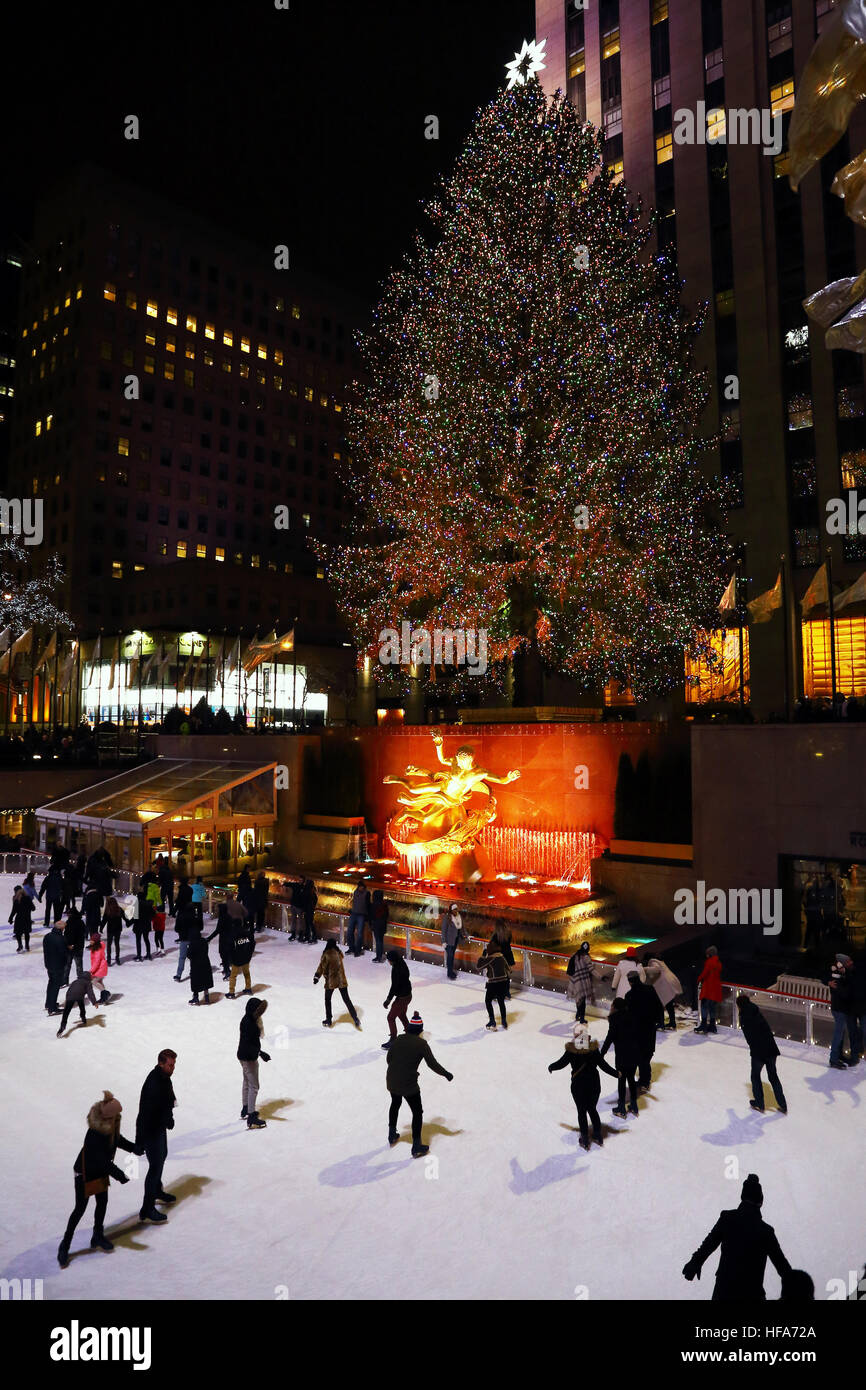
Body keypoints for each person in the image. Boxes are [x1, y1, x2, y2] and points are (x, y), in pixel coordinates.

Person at [57, 1091, 137, 1268]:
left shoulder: (111, 1125)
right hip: (84, 1174)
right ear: (107, 1116)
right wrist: (119, 1175)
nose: (118, 1117)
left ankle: (97, 1236)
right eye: (116, 1114)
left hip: (99, 1172)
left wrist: (135, 1148)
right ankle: (65, 1245)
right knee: (79, 1209)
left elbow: (118, 1140)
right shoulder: (94, 1134)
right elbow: (101, 1160)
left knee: (102, 1203)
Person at [682, 1173, 792, 1301]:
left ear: (742, 1197)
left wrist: (695, 1262)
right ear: (761, 1202)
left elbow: (709, 1244)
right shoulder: (766, 1231)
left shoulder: (727, 1219)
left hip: (723, 1293)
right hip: (752, 1295)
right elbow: (783, 1267)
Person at [386, 1010, 453, 1156]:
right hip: (408, 1084)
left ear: (409, 1028)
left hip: (391, 1080)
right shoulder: (422, 1044)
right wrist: (446, 1074)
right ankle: (416, 1145)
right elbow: (432, 1064)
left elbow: (388, 1058)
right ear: (420, 1030)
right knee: (417, 1112)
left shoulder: (398, 1039)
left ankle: (392, 1134)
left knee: (395, 1103)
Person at [548, 1021, 618, 1150]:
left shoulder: (571, 1051)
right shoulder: (593, 1050)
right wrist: (616, 1074)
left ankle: (585, 1138)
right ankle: (597, 1135)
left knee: (582, 1111)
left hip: (579, 1086)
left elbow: (561, 1063)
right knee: (592, 1109)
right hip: (594, 1085)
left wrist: (552, 1066)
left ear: (576, 1036)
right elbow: (603, 1066)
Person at [134, 1050, 178, 1224]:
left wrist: (169, 1117)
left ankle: (157, 1191)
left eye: (174, 1065)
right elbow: (144, 1113)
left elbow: (168, 1101)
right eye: (170, 1065)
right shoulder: (154, 1082)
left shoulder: (164, 1078)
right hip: (151, 1130)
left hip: (159, 1128)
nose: (173, 1068)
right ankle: (147, 1207)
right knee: (155, 1167)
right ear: (161, 1063)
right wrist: (139, 1140)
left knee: (163, 1156)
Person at [737, 993, 787, 1113]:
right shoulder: (756, 1011)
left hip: (758, 1051)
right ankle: (783, 1104)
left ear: (739, 1006)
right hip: (770, 1048)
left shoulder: (744, 1017)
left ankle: (759, 1103)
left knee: (755, 1076)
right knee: (773, 1076)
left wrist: (753, 1048)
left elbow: (749, 1036)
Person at [600, 998, 640, 1117]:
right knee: (631, 1080)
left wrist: (602, 1053)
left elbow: (609, 1038)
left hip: (622, 1055)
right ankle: (634, 1105)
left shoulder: (615, 1019)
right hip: (634, 1053)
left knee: (622, 1080)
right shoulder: (632, 1016)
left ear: (615, 1007)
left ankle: (621, 1107)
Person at [237, 998, 271, 1128]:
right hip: (248, 1057)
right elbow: (249, 1044)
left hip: (243, 1055)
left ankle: (246, 1108)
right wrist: (261, 1053)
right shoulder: (249, 1023)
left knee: (247, 1082)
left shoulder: (248, 1019)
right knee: (254, 1086)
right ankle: (251, 1117)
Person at [314, 937, 361, 1029]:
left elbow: (322, 966)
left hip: (331, 981)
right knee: (347, 999)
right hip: (341, 980)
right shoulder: (339, 953)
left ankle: (328, 1019)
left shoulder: (327, 954)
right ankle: (355, 1018)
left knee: (327, 1000)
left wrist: (317, 976)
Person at [625, 969, 659, 1092]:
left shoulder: (629, 996)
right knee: (646, 1055)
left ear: (630, 982)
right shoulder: (650, 989)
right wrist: (658, 1022)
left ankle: (642, 1081)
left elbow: (627, 1015)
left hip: (636, 1031)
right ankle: (645, 1081)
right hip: (649, 1029)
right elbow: (658, 1007)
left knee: (638, 1056)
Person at [828, 953, 856, 1069]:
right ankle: (833, 1059)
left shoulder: (843, 975)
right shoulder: (836, 978)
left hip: (841, 1009)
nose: (851, 963)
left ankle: (837, 1056)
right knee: (838, 1034)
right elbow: (843, 993)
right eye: (848, 961)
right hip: (839, 1009)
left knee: (840, 1034)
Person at [642, 953, 682, 1030]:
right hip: (670, 984)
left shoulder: (653, 962)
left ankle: (661, 1024)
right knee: (669, 1005)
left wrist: (645, 969)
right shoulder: (660, 962)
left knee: (659, 1004)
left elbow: (656, 970)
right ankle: (672, 1023)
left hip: (664, 986)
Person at [382, 948, 412, 1048]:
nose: (388, 961)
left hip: (402, 997)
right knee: (401, 1014)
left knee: (390, 1018)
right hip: (408, 995)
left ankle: (393, 1040)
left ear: (393, 960)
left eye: (389, 960)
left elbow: (394, 986)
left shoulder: (397, 969)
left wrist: (388, 1000)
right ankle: (410, 1034)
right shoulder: (402, 963)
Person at [56, 970, 101, 1037]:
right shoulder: (88, 983)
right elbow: (90, 993)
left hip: (69, 996)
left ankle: (62, 1026)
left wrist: (68, 998)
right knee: (81, 1006)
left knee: (66, 1012)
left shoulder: (75, 981)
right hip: (79, 996)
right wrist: (94, 1002)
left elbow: (70, 989)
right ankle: (83, 1018)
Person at [478, 940, 510, 1030]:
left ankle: (492, 1021)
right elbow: (509, 969)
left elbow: (479, 966)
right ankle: (504, 1021)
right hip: (503, 982)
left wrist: (483, 956)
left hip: (493, 983)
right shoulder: (502, 957)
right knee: (501, 1001)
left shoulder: (490, 958)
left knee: (488, 1001)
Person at [566, 940, 596, 1023]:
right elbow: (591, 969)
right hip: (582, 982)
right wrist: (601, 977)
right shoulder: (586, 957)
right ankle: (581, 1018)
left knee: (579, 999)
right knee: (582, 1001)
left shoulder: (575, 955)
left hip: (575, 981)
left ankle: (578, 1015)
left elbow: (570, 969)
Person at [695, 946, 722, 1034]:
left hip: (708, 988)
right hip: (716, 988)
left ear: (709, 954)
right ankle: (712, 1026)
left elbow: (704, 973)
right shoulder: (718, 963)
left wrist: (698, 979)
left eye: (707, 954)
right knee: (712, 1007)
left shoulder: (709, 962)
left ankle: (703, 1025)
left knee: (704, 1006)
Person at [43, 919, 67, 1016]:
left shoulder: (47, 936)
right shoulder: (60, 939)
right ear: (61, 928)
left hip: (49, 964)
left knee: (51, 983)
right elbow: (63, 953)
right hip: (58, 965)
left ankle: (49, 1003)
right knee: (55, 986)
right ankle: (52, 1008)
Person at [227, 918, 255, 998]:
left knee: (233, 976)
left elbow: (230, 948)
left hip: (237, 959)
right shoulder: (248, 933)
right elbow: (253, 944)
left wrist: (231, 959)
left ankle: (231, 993)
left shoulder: (233, 934)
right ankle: (248, 988)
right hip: (246, 957)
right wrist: (250, 954)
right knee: (246, 973)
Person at [188, 924, 214, 1005]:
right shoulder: (204, 941)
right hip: (205, 963)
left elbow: (189, 955)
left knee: (195, 981)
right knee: (205, 980)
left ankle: (195, 997)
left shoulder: (192, 943)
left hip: (196, 964)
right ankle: (207, 997)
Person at [208, 902, 234, 981]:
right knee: (225, 955)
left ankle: (227, 971)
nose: (216, 910)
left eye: (218, 909)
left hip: (224, 940)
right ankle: (226, 969)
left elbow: (218, 930)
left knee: (223, 955)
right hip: (229, 939)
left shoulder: (222, 918)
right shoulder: (229, 916)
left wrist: (209, 938)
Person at [100, 896, 128, 966]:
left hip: (110, 929)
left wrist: (101, 928)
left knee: (109, 944)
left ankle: (109, 960)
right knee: (117, 943)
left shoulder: (108, 911)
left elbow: (104, 921)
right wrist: (129, 922)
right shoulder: (119, 909)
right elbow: (125, 918)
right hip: (118, 929)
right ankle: (117, 958)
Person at [172, 900, 196, 981]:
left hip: (183, 938)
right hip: (193, 938)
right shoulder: (194, 916)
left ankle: (179, 975)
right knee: (193, 956)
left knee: (182, 957)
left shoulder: (180, 914)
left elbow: (176, 928)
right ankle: (193, 972)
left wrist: (180, 932)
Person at [347, 877, 370, 957]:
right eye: (359, 886)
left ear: (363, 887)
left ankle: (358, 950)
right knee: (349, 931)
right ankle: (351, 947)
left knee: (360, 934)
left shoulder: (367, 893)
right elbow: (355, 902)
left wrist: (367, 915)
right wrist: (351, 910)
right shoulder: (355, 892)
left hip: (361, 915)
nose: (360, 888)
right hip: (353, 914)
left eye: (361, 886)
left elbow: (368, 905)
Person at [9, 884, 35, 951]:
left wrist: (10, 918)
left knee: (18, 933)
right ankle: (27, 945)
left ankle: (20, 945)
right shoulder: (28, 898)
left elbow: (14, 911)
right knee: (26, 933)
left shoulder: (16, 900)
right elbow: (33, 908)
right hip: (27, 918)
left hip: (19, 919)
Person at [440, 902, 463, 980]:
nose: (456, 911)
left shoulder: (458, 917)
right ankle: (450, 973)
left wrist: (467, 935)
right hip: (448, 942)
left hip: (455, 940)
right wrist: (443, 942)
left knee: (452, 956)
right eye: (454, 909)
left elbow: (462, 928)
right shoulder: (447, 917)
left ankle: (451, 971)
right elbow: (443, 930)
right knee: (450, 957)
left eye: (456, 909)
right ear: (451, 910)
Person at [89, 933, 111, 1004]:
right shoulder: (97, 947)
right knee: (100, 982)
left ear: (95, 941)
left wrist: (91, 971)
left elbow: (97, 962)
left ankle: (105, 993)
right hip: (101, 968)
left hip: (100, 968)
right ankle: (104, 997)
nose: (90, 941)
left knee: (93, 981)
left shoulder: (97, 949)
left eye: (92, 940)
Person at [133, 892, 153, 962]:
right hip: (146, 925)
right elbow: (153, 914)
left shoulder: (137, 904)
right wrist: (149, 919)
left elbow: (135, 916)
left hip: (138, 925)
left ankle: (139, 955)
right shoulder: (148, 904)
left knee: (138, 940)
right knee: (146, 939)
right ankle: (148, 954)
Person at [370, 888, 390, 962]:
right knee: (381, 940)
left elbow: (372, 915)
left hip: (376, 924)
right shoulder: (384, 904)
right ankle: (380, 955)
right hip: (383, 924)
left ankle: (378, 957)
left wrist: (371, 924)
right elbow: (387, 914)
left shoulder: (374, 904)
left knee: (378, 940)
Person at [301, 878, 318, 943]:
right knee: (308, 924)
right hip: (309, 910)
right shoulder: (311, 891)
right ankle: (308, 937)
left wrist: (306, 909)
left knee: (309, 924)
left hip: (309, 910)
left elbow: (305, 901)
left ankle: (313, 937)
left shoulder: (309, 892)